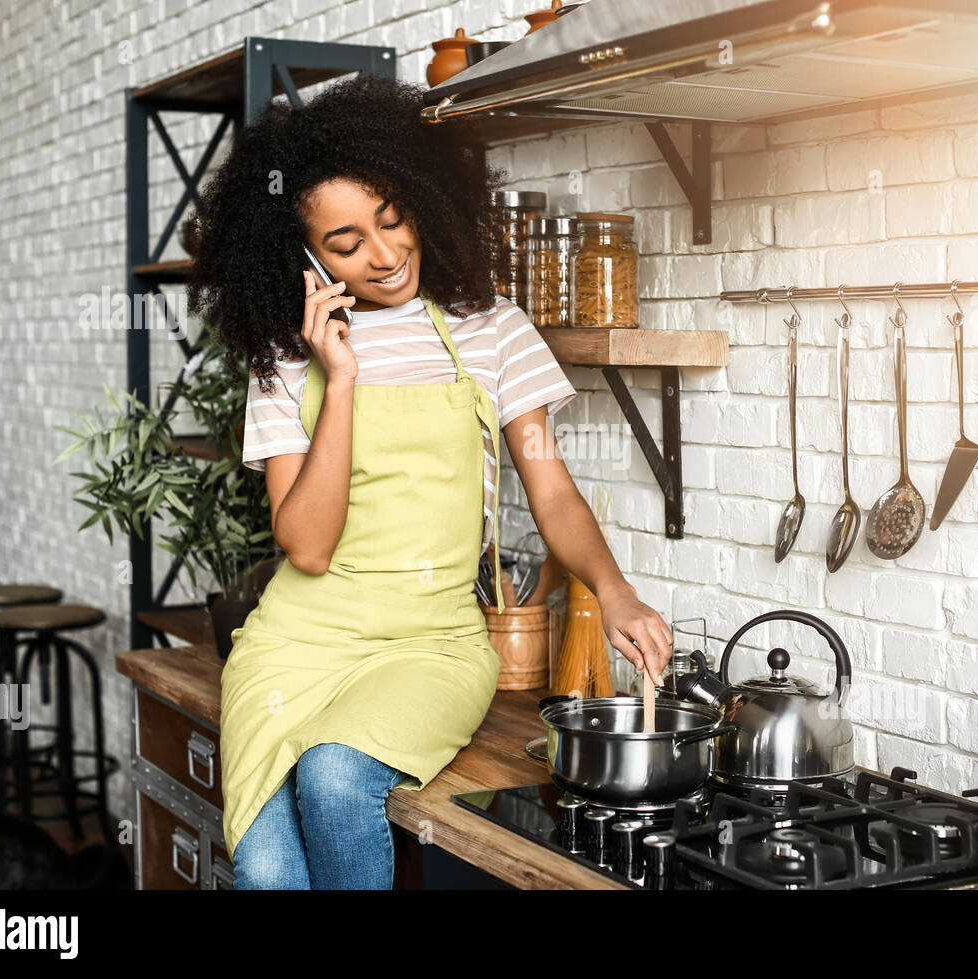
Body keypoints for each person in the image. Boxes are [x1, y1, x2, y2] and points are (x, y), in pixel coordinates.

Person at [186, 72, 674, 889]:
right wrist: (337, 377)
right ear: (303, 256)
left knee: (337, 777)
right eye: (346, 244)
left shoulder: (490, 329)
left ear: (421, 196)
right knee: (267, 875)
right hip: (295, 646)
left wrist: (614, 587)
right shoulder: (284, 356)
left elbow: (549, 487)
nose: (385, 254)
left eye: (392, 217)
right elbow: (305, 547)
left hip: (433, 646)